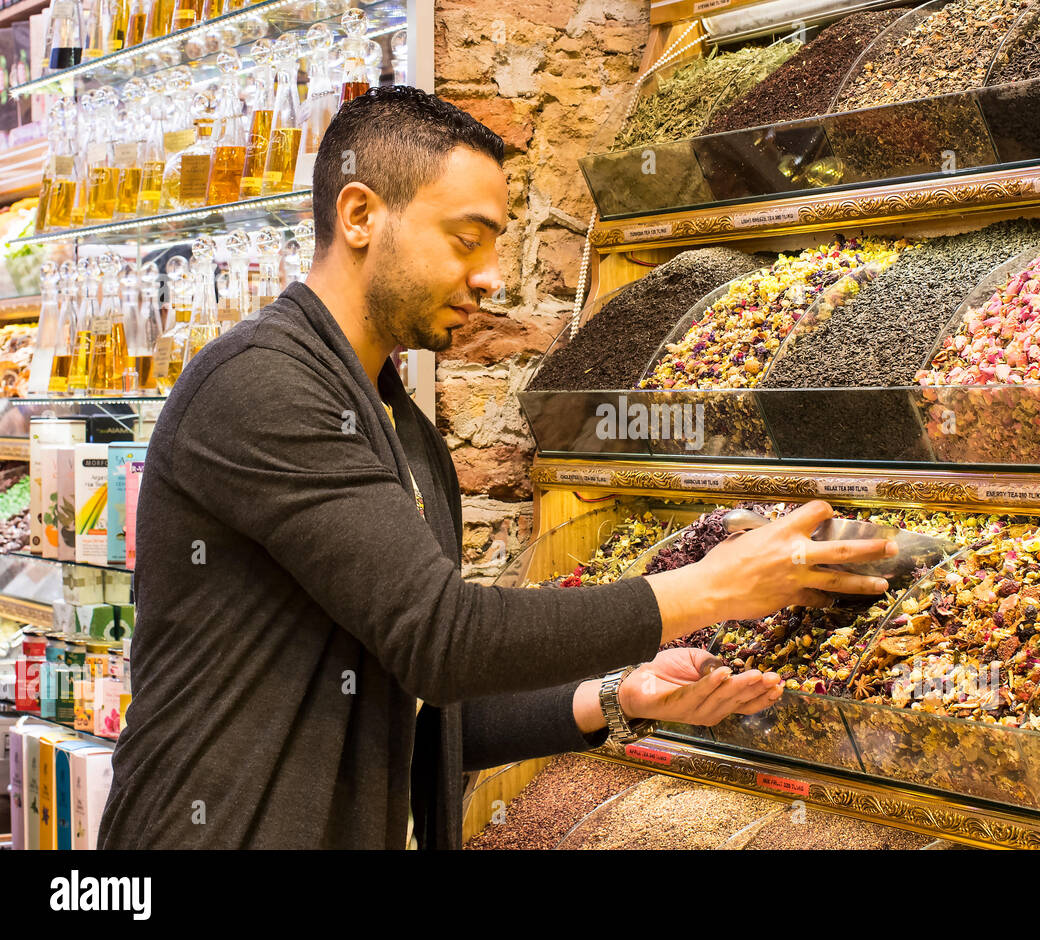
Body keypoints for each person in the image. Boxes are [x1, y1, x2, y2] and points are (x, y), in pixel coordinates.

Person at [98, 87, 895, 850]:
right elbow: (448, 638)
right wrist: (716, 586)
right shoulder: (261, 385)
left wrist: (619, 696)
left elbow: (424, 707)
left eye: (497, 245)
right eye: (466, 238)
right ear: (361, 214)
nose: (489, 275)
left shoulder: (397, 425)